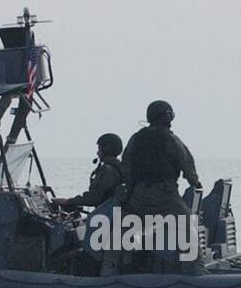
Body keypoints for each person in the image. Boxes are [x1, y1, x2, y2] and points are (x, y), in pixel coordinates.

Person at [119, 100, 204, 274]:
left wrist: (130, 191)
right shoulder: (171, 139)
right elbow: (186, 163)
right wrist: (195, 182)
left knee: (118, 228)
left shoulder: (136, 139)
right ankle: (195, 270)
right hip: (164, 198)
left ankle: (112, 268)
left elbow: (126, 167)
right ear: (167, 116)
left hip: (138, 197)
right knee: (188, 225)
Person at [52, 133, 123, 210]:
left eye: (99, 149)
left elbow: (93, 198)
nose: (97, 153)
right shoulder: (121, 168)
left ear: (106, 149)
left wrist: (68, 201)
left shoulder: (107, 171)